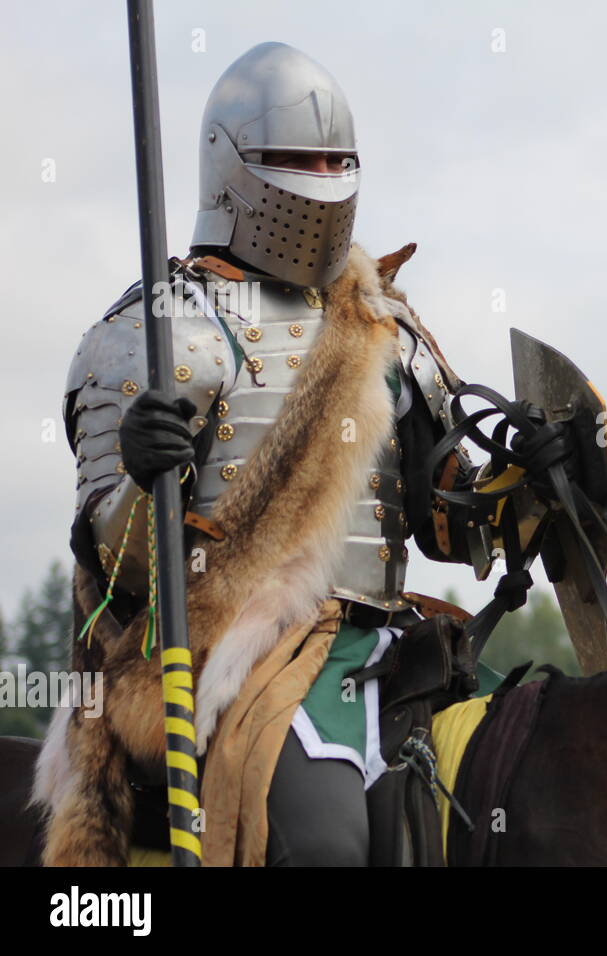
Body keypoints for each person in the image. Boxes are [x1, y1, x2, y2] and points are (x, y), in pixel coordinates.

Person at [59, 41, 578, 865]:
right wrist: (143, 473)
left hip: (393, 647)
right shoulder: (167, 330)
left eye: (339, 159)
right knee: (325, 846)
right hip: (235, 648)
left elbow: (451, 527)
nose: (322, 177)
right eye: (297, 159)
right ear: (233, 168)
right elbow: (121, 570)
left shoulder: (384, 326)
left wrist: (535, 481)